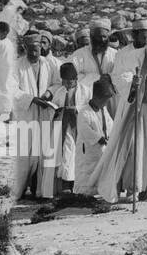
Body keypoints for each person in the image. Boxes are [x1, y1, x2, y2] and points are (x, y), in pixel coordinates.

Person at [94, 28, 147, 202]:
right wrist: (133, 82)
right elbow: (120, 76)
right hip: (135, 110)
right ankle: (133, 188)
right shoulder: (133, 56)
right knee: (132, 148)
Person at [10, 32, 61, 200]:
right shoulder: (17, 65)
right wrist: (31, 99)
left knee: (43, 152)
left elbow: (56, 83)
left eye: (36, 50)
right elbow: (12, 90)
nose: (34, 53)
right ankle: (20, 189)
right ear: (25, 49)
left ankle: (39, 190)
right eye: (30, 50)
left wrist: (48, 93)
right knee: (25, 153)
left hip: (44, 113)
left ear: (41, 48)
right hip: (27, 115)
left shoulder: (48, 64)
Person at [75, 78, 115, 196]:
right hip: (88, 152)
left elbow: (110, 125)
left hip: (101, 150)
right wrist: (99, 138)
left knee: (100, 173)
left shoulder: (103, 110)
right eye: (105, 100)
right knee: (87, 175)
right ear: (98, 98)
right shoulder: (84, 112)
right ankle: (84, 192)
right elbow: (85, 130)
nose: (106, 103)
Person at [47, 62, 82, 192]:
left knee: (75, 154)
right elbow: (54, 107)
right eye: (65, 82)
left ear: (76, 79)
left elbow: (89, 107)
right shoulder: (60, 92)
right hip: (64, 126)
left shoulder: (84, 90)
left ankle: (75, 184)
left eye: (70, 82)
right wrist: (56, 110)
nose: (67, 85)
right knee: (67, 153)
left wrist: (76, 109)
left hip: (78, 126)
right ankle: (66, 185)